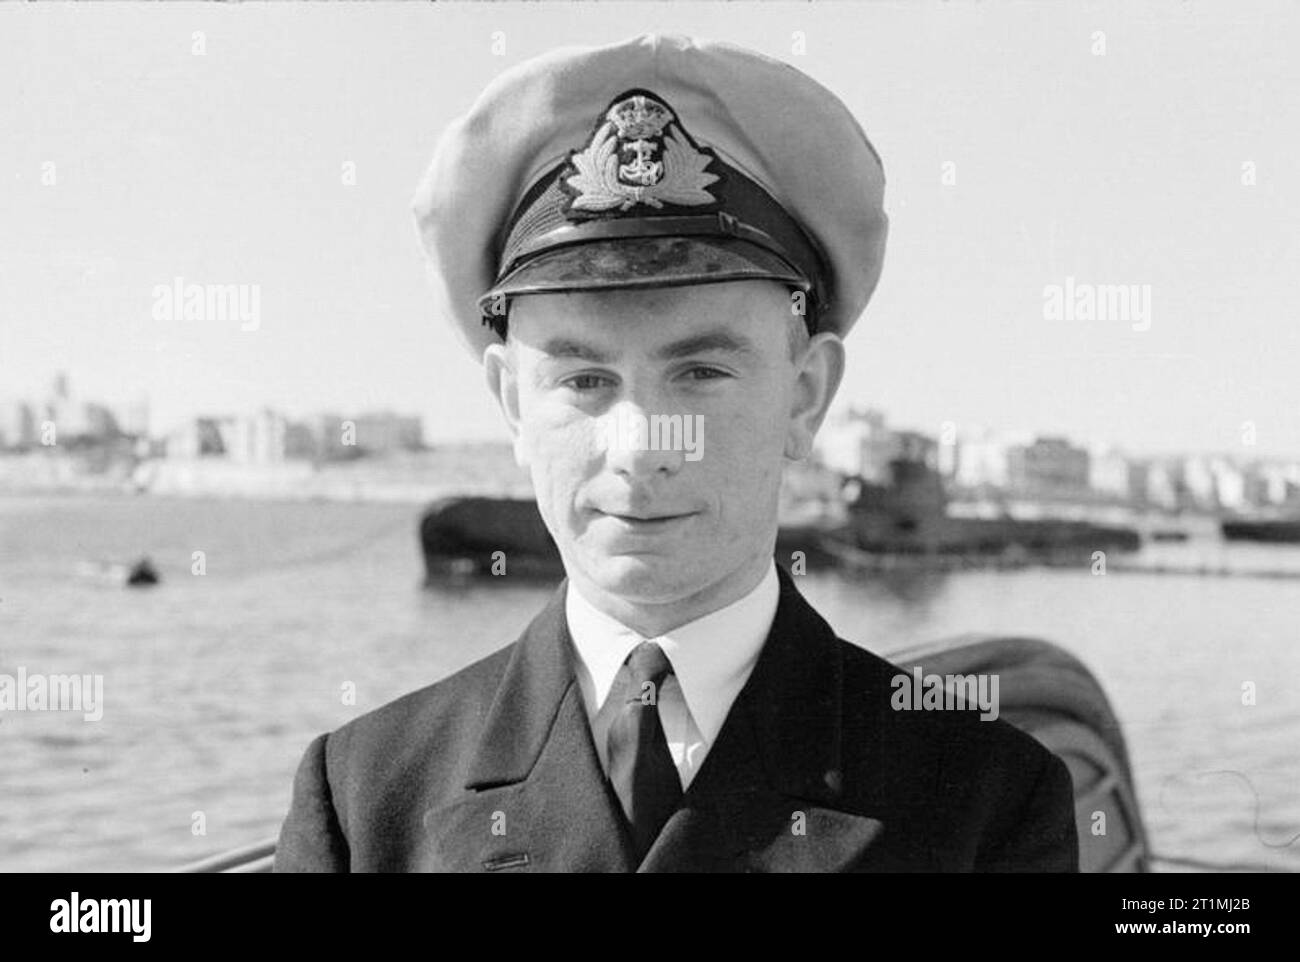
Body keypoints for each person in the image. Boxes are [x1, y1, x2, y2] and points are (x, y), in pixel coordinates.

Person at [274, 33, 1079, 872]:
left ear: (805, 395)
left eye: (700, 371)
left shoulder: (986, 801)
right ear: (513, 402)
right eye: (584, 380)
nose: (639, 449)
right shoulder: (366, 799)